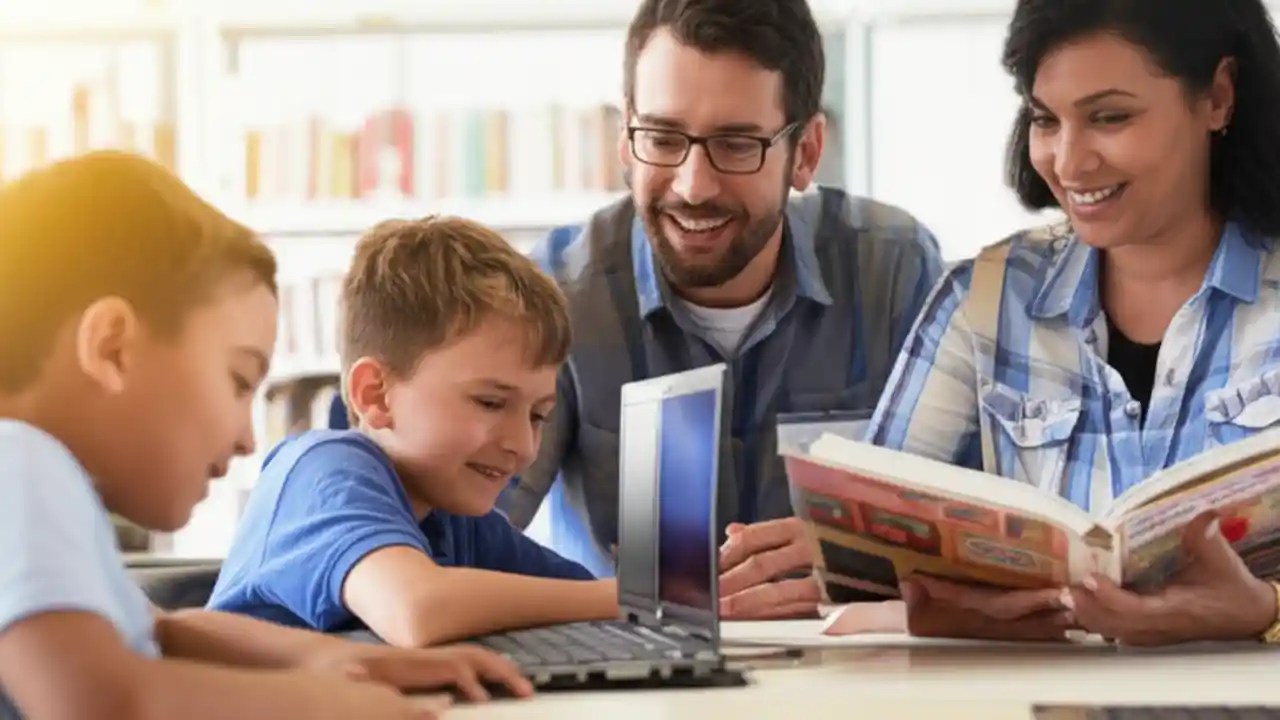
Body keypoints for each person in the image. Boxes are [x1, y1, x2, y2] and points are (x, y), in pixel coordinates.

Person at [0, 152, 531, 720]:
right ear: (112, 348)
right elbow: (104, 704)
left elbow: (168, 631)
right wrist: (333, 706)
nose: (247, 439)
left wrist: (331, 662)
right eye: (238, 380)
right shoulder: (21, 464)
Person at [495, 0, 946, 621]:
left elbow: (969, 528)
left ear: (807, 151)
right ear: (626, 140)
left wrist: (867, 558)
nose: (692, 185)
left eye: (736, 145)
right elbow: (471, 530)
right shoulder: (562, 291)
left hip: (851, 677)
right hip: (633, 676)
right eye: (661, 138)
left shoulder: (894, 270)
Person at [858, 0, 1280, 646]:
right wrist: (939, 605)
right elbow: (867, 547)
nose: (1068, 161)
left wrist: (1265, 611)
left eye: (1110, 118)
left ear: (1218, 97)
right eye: (1044, 119)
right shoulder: (987, 301)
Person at [205, 216, 618, 647]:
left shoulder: (456, 518)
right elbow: (417, 609)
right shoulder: (320, 473)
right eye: (490, 403)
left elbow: (581, 595)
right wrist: (622, 596)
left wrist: (639, 597)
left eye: (538, 415)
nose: (524, 447)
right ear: (376, 395)